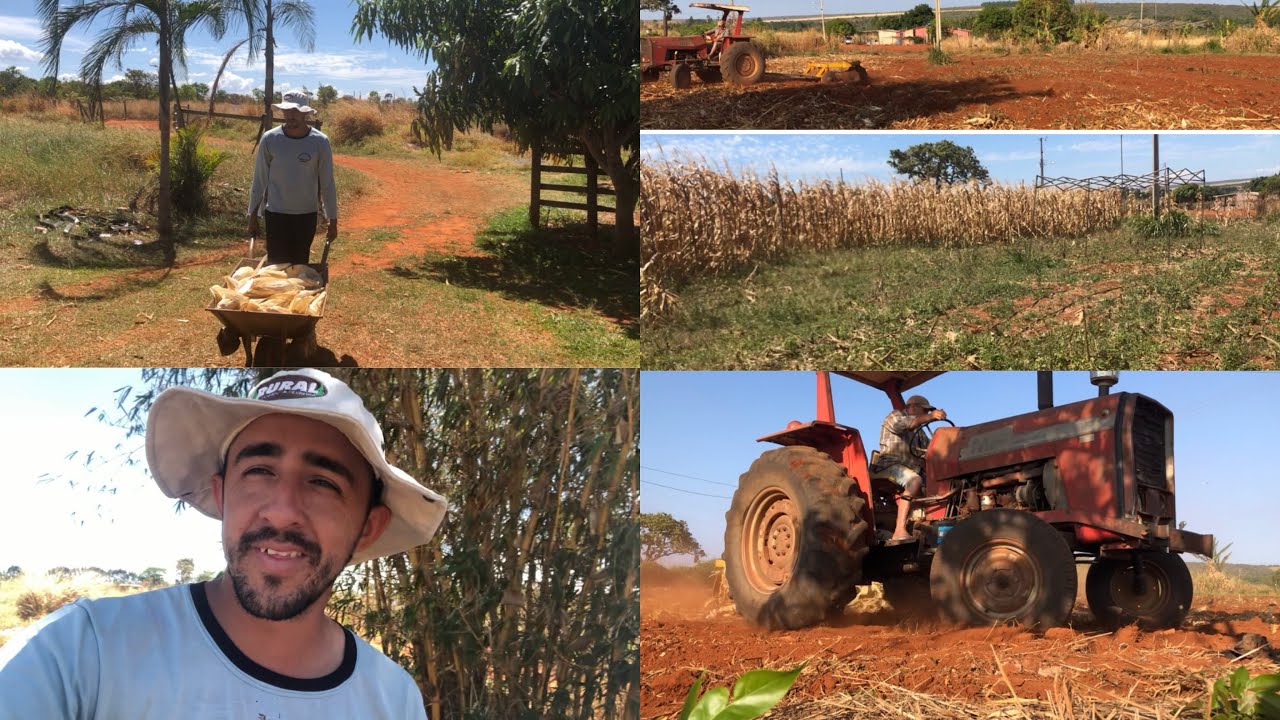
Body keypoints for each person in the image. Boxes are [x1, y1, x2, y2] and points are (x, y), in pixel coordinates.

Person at [0, 369, 447, 719]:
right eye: (258, 471)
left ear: (369, 526)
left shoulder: (392, 699)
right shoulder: (82, 652)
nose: (282, 510)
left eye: (323, 482)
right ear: (221, 494)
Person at [247, 90, 339, 265]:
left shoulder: (319, 142)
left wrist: (332, 219)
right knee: (276, 267)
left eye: (295, 111)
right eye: (287, 110)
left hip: (306, 216)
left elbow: (327, 184)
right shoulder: (271, 139)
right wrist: (253, 216)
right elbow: (259, 181)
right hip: (276, 215)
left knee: (299, 266)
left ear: (305, 113)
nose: (290, 115)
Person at [873, 394, 947, 544]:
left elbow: (931, 451)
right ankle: (899, 530)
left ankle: (926, 527)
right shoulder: (895, 416)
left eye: (928, 412)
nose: (927, 414)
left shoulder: (920, 432)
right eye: (925, 411)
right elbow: (906, 424)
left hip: (911, 468)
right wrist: (932, 416)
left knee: (935, 487)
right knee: (915, 481)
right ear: (913, 407)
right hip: (889, 466)